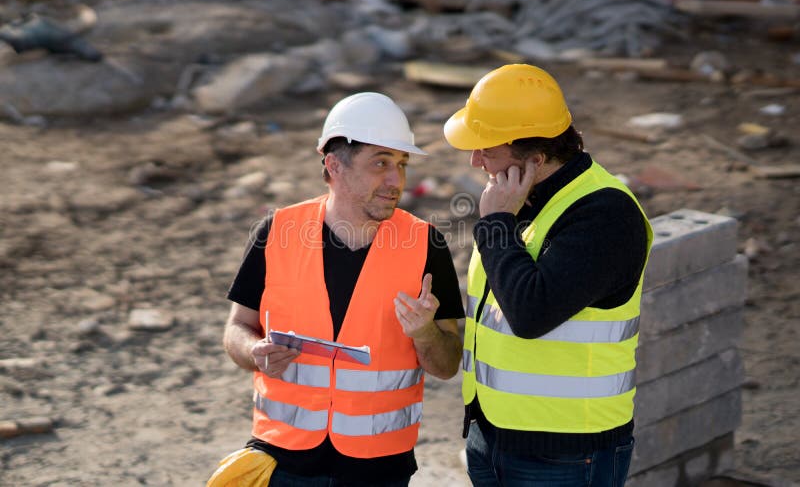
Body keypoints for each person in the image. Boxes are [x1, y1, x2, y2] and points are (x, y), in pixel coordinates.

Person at [221, 92, 464, 486]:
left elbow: (447, 364)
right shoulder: (277, 232)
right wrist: (253, 351)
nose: (395, 180)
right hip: (284, 462)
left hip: (379, 469)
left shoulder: (426, 244)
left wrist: (425, 333)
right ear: (334, 165)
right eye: (380, 163)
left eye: (401, 165)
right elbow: (237, 328)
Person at [442, 64, 653, 487]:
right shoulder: (524, 195)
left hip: (567, 455)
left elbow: (531, 313)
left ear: (536, 158)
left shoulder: (605, 214)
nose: (475, 160)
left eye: (488, 150)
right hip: (494, 436)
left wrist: (497, 223)